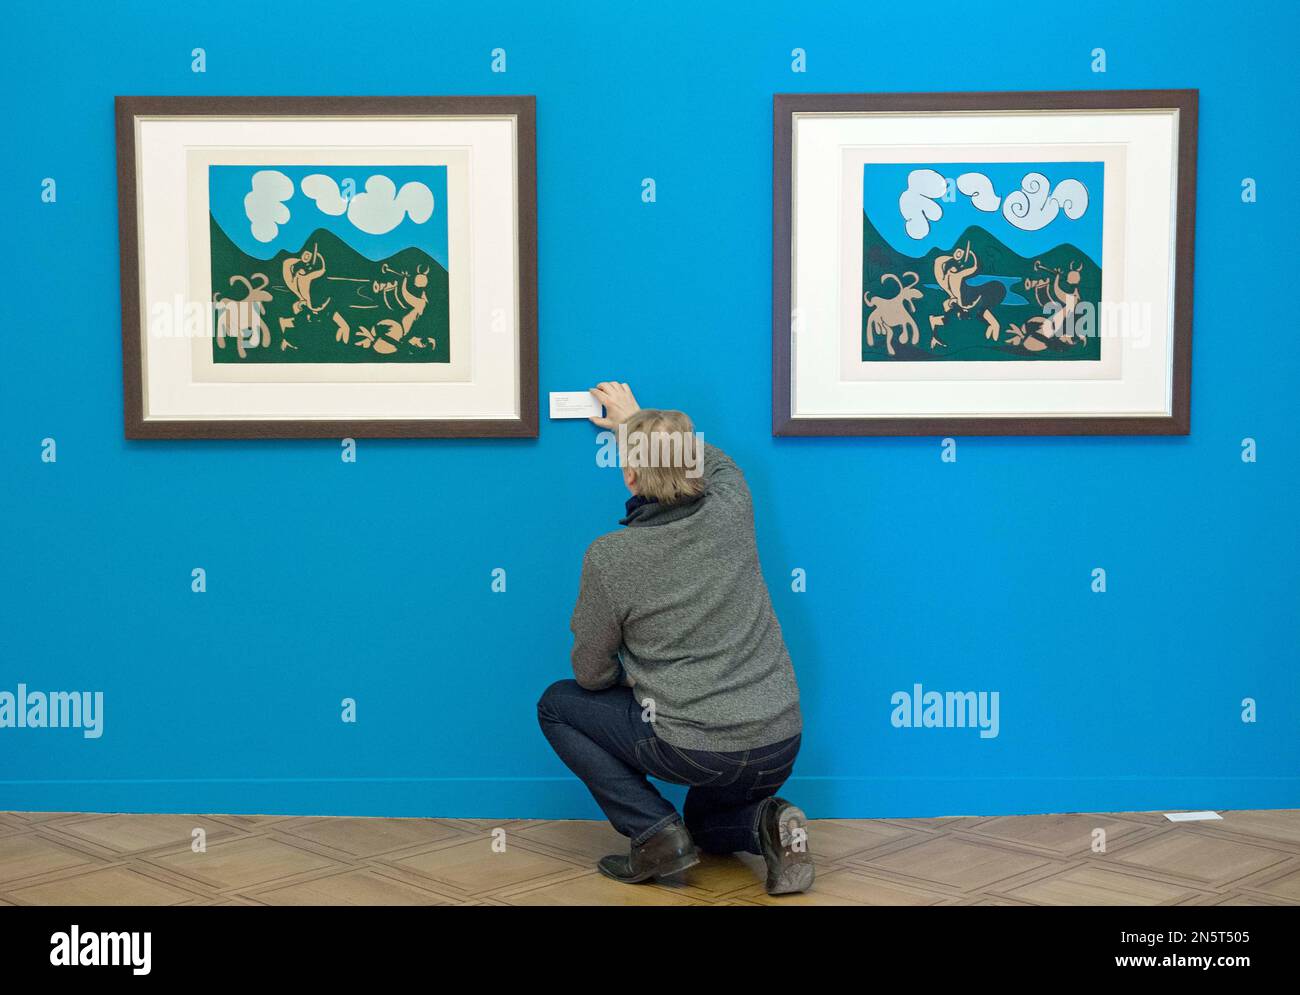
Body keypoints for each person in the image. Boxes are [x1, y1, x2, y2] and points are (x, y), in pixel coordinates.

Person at [536, 382, 814, 895]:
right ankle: (771, 823)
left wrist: (636, 680)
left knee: (556, 703)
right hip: (779, 741)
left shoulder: (610, 557)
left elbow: (590, 675)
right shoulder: (732, 507)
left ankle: (655, 835)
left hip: (695, 750)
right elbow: (718, 462)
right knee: (708, 827)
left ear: (630, 475)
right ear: (689, 463)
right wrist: (641, 421)